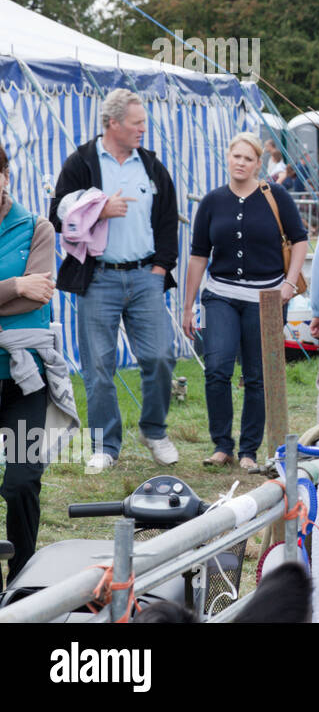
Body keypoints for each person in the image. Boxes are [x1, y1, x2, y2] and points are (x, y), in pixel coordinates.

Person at [49, 88, 179, 473]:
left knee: (160, 356)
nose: (144, 129)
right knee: (98, 366)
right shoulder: (82, 163)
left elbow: (168, 219)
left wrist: (160, 269)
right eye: (137, 123)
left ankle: (154, 430)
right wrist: (100, 210)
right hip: (98, 278)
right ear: (113, 124)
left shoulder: (151, 166)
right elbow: (58, 216)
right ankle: (105, 445)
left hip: (145, 277)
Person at [182, 133, 308, 470]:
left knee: (257, 375)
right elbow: (197, 255)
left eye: (247, 158)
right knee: (217, 369)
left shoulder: (275, 196)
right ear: (228, 158)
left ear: (258, 163)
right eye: (235, 156)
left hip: (266, 297)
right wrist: (187, 305)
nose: (240, 163)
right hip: (220, 293)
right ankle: (222, 444)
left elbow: (299, 241)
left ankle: (249, 451)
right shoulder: (212, 202)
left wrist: (289, 283)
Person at [0, 141, 75, 581]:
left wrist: (26, 290)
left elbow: (40, 293)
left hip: (24, 378)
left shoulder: (36, 228)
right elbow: (23, 294)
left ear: (6, 175)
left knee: (22, 481)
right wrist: (15, 286)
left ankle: (23, 579)